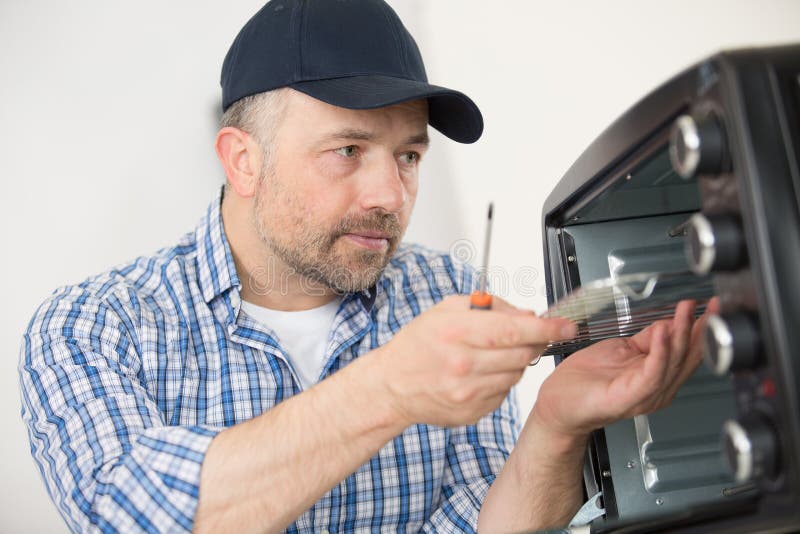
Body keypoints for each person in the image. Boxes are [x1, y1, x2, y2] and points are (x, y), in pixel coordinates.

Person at [19, 1, 714, 532]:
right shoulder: (90, 326)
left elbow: (481, 523)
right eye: (347, 150)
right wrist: (390, 389)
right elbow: (130, 513)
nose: (390, 196)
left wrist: (558, 428)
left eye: (408, 156)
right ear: (242, 159)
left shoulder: (444, 292)